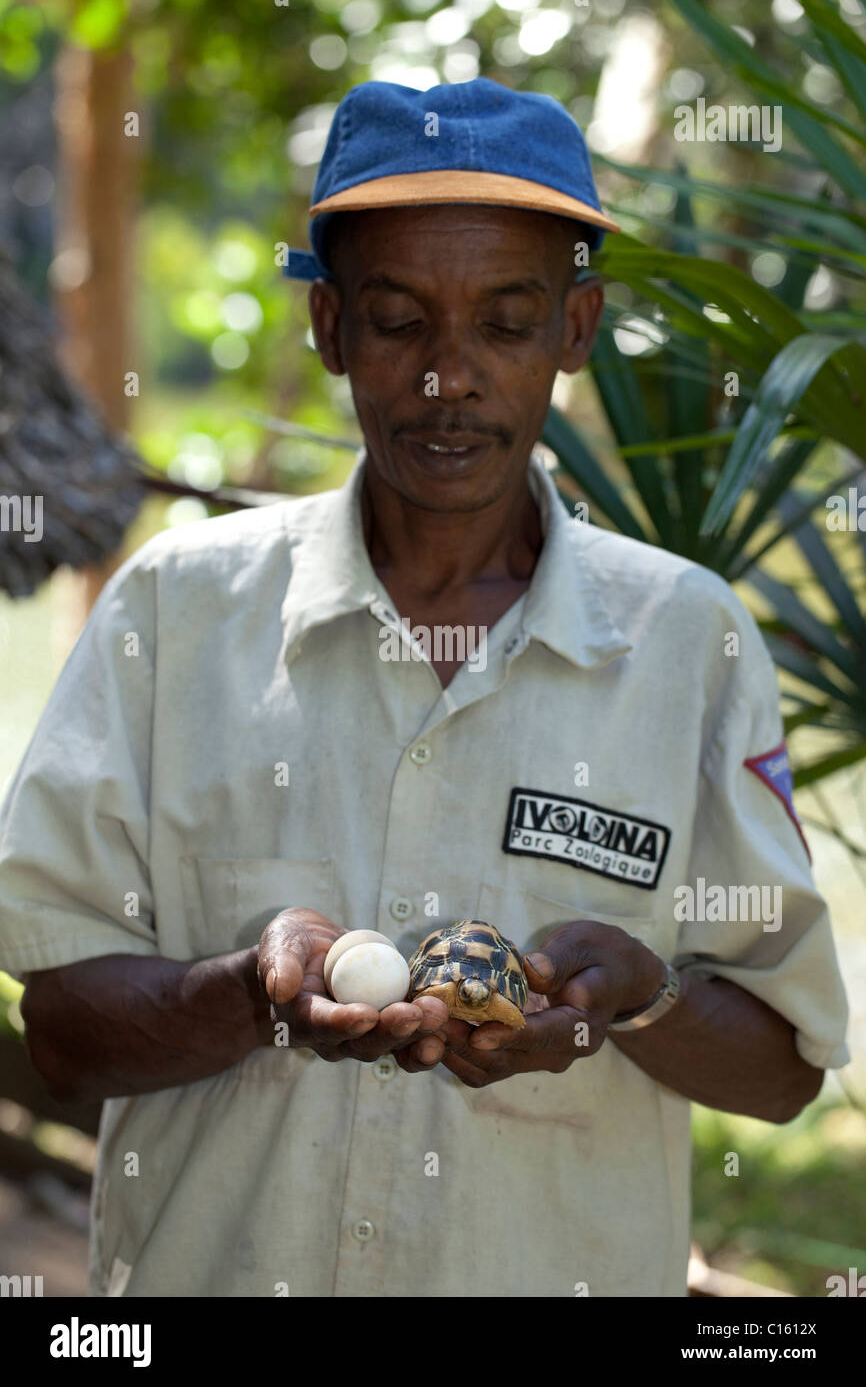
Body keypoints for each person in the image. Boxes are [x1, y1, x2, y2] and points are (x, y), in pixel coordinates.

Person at [0, 77, 849, 1298]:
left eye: (505, 324)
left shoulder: (684, 644)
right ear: (330, 329)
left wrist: (639, 993)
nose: (450, 377)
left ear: (575, 327)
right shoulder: (175, 613)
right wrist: (253, 996)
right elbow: (61, 1034)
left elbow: (782, 1072)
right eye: (400, 323)